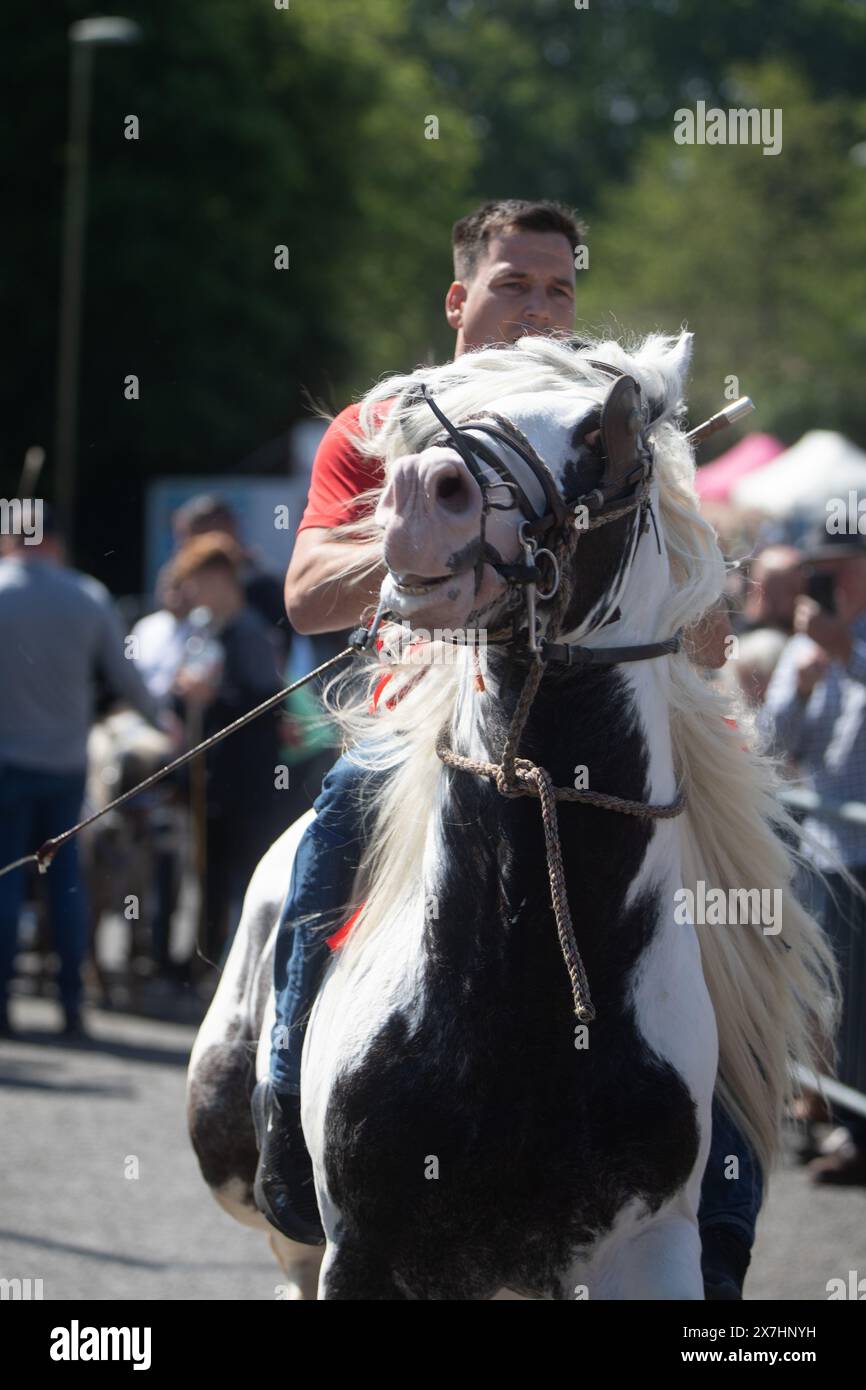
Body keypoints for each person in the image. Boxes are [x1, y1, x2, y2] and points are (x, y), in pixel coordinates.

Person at [253, 199, 763, 1298]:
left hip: (615, 746)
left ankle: (717, 1200)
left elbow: (710, 632)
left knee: (747, 909)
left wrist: (653, 564)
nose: (538, 308)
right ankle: (291, 1129)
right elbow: (302, 597)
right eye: (512, 285)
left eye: (559, 288)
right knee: (324, 845)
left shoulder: (618, 434)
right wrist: (439, 550)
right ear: (457, 297)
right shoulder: (382, 422)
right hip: (412, 734)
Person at [0, 507, 169, 1036]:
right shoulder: (88, 596)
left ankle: (3, 1003)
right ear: (57, 541)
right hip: (69, 763)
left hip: (7, 760)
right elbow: (126, 678)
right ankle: (72, 1003)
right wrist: (163, 724)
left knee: (6, 882)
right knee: (66, 880)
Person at [759, 526, 866, 1185]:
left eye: (840, 569)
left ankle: (855, 1128)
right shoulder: (808, 644)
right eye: (820, 571)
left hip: (852, 846)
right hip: (830, 850)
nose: (827, 584)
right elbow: (772, 745)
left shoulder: (838, 641)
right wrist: (801, 686)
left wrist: (848, 653)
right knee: (835, 993)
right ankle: (843, 1112)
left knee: (857, 998)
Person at [168, 534, 286, 962]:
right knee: (208, 873)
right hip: (212, 776)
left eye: (196, 582)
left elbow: (263, 705)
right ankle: (205, 957)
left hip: (244, 780)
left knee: (243, 876)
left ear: (219, 578)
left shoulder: (249, 632)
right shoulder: (207, 629)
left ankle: (240, 961)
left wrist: (210, 696)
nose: (190, 593)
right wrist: (185, 696)